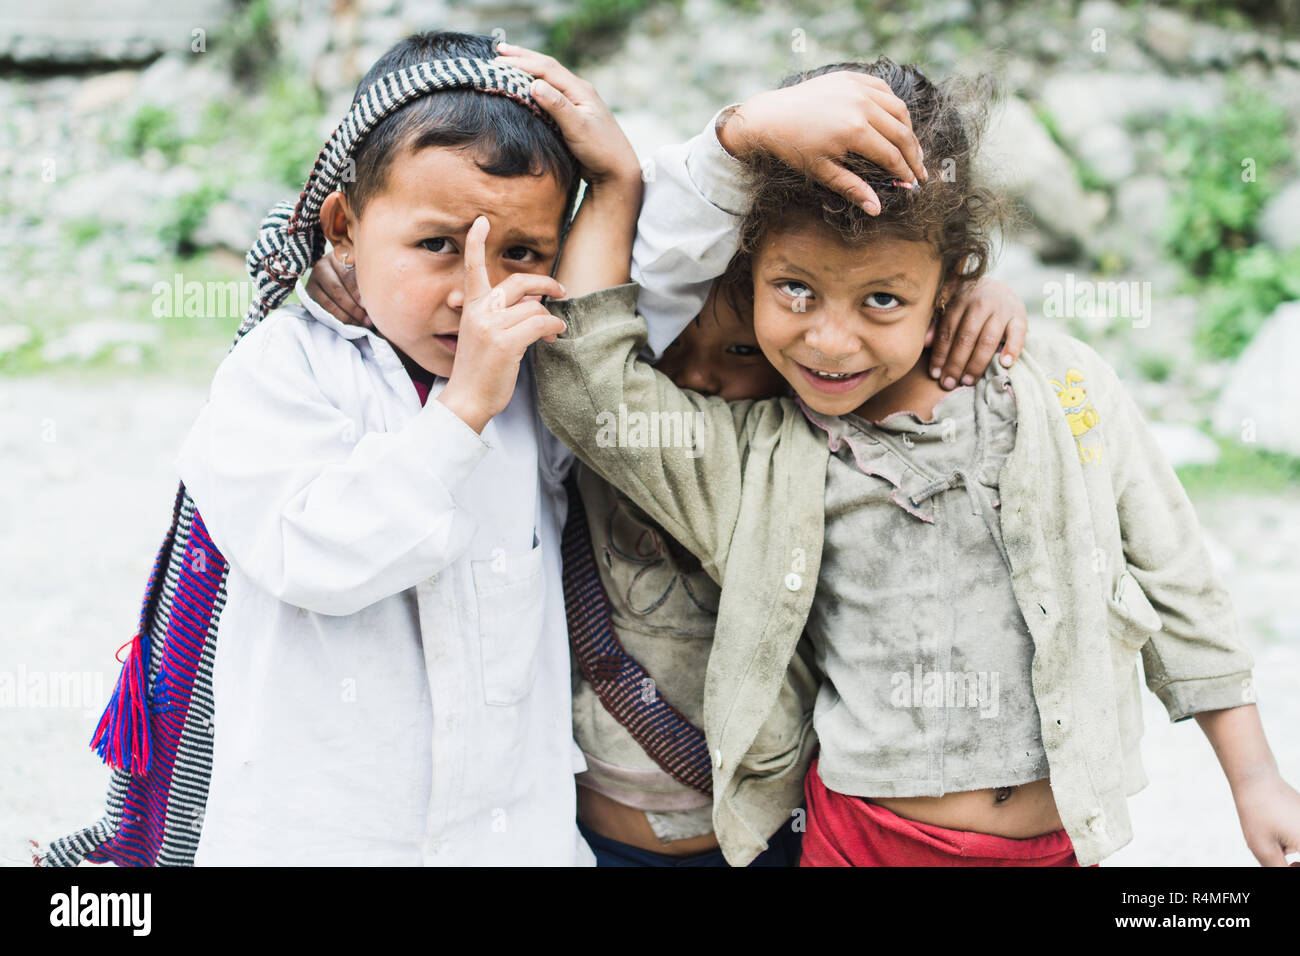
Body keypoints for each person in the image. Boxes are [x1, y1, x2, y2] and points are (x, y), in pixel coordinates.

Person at [532, 57, 1300, 867]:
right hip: (860, 845)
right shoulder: (757, 455)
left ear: (953, 281)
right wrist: (642, 175)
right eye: (794, 290)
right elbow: (587, 383)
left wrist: (1254, 778)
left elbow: (1177, 580)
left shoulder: (1063, 388)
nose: (831, 339)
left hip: (1061, 844)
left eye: (882, 300)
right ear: (748, 276)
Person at [309, 49, 1031, 866]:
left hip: (769, 831)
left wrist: (975, 299)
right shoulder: (568, 385)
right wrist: (335, 265)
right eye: (668, 352)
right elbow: (623, 293)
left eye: (734, 352)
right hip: (588, 827)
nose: (691, 377)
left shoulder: (806, 426)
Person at [172, 29, 649, 865]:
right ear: (344, 229)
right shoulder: (280, 370)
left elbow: (667, 281)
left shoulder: (539, 378)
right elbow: (313, 554)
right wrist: (462, 411)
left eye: (522, 254)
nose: (479, 294)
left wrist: (620, 181)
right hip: (319, 840)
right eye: (438, 246)